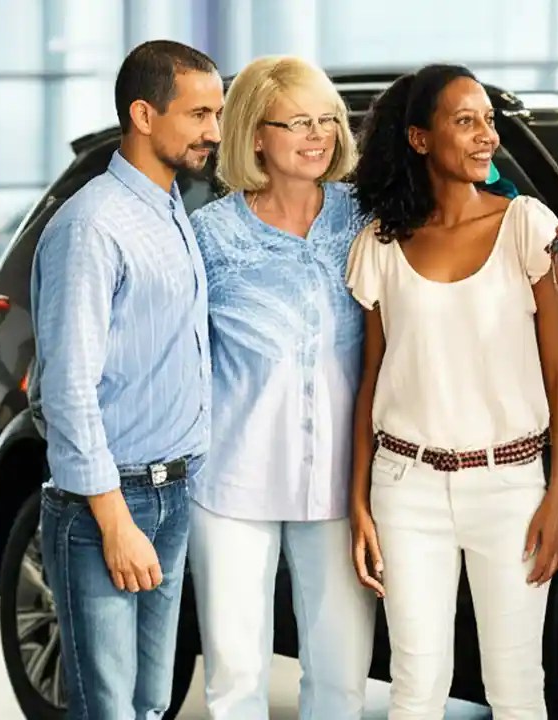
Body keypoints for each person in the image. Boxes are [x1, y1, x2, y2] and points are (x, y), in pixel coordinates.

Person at [344, 64, 558, 719]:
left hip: (510, 488)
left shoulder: (528, 226)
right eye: (466, 121)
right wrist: (359, 500)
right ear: (420, 139)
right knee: (414, 687)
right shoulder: (380, 244)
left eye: (490, 122)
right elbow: (371, 381)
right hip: (405, 487)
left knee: (515, 688)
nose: (487, 137)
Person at [28, 39, 221, 718]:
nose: (214, 133)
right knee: (107, 711)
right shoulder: (92, 226)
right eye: (199, 114)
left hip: (170, 493)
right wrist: (114, 521)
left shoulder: (169, 209)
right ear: (144, 114)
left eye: (217, 113)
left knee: (150, 705)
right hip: (107, 505)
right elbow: (68, 389)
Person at [185, 55, 377, 719]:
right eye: (298, 121)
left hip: (339, 488)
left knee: (342, 677)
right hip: (232, 481)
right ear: (255, 134)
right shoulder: (209, 237)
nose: (318, 133)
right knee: (236, 678)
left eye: (327, 119)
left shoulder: (366, 221)